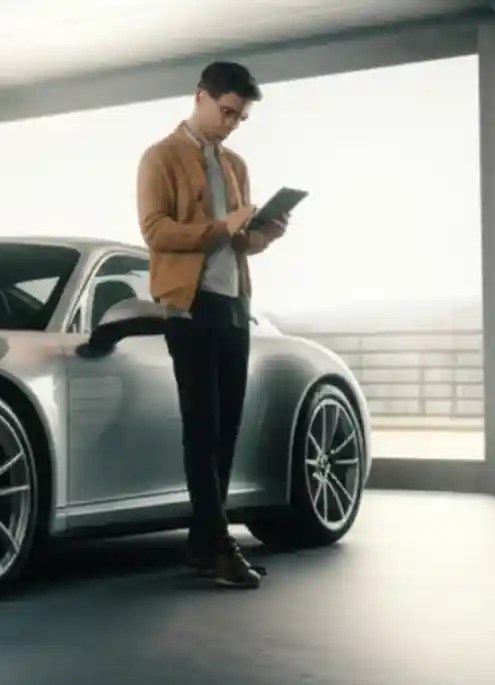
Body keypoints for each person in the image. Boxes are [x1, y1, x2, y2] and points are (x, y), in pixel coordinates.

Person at [135, 61, 288, 589]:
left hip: (233, 303)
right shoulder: (160, 157)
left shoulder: (236, 165)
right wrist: (221, 226)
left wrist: (262, 234)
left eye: (239, 118)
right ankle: (218, 543)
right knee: (201, 426)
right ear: (200, 97)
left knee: (226, 428)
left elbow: (238, 242)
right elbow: (155, 232)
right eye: (226, 112)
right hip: (189, 305)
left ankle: (204, 543)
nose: (230, 124)